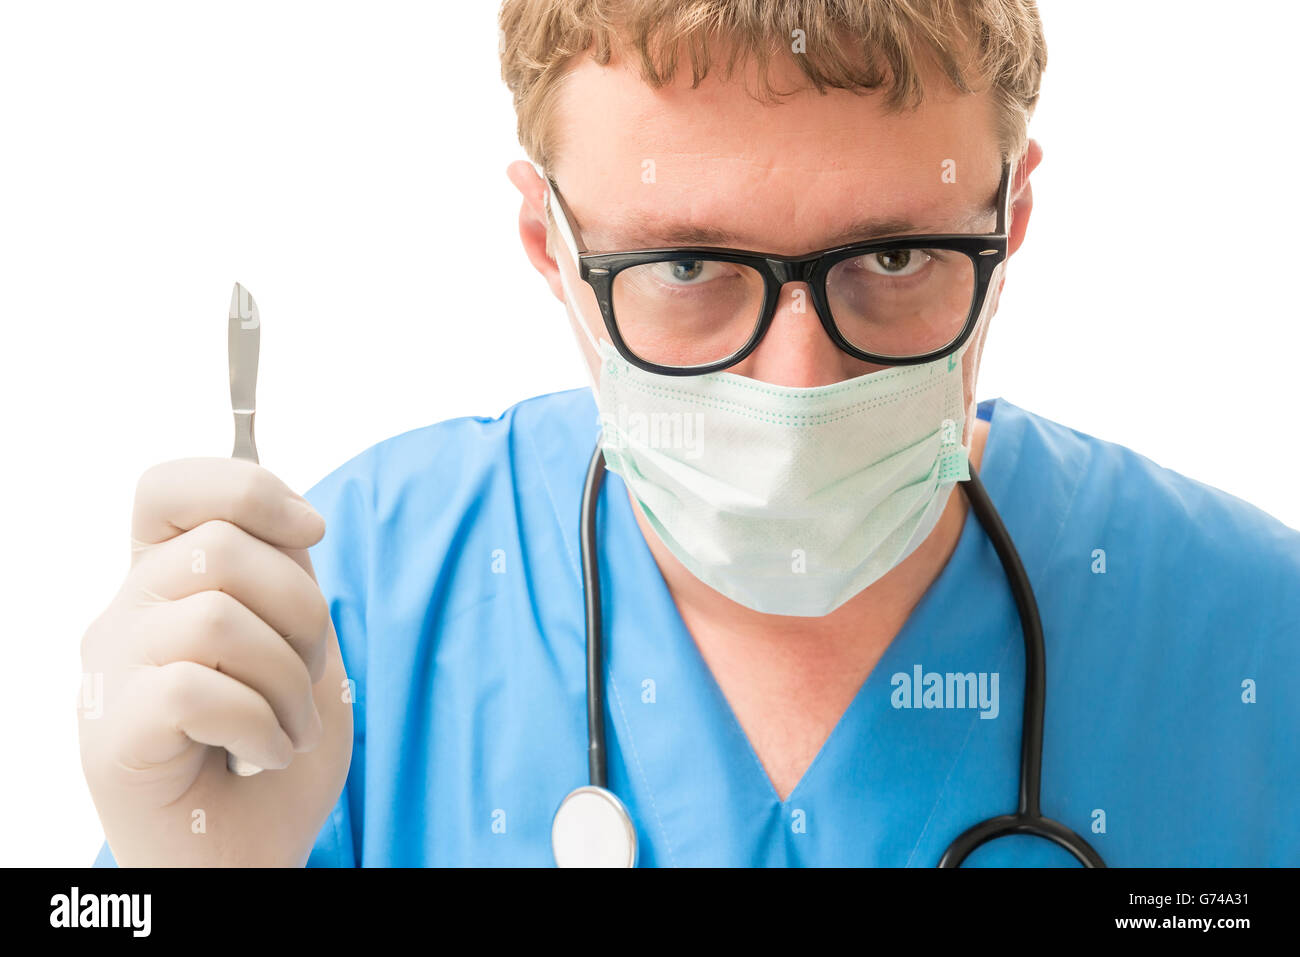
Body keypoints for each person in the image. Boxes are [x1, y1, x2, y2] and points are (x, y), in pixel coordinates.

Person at [84, 0, 1300, 867]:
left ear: (1012, 214)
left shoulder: (1255, 637)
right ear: (547, 246)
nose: (795, 385)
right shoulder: (340, 612)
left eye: (892, 256)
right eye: (682, 265)